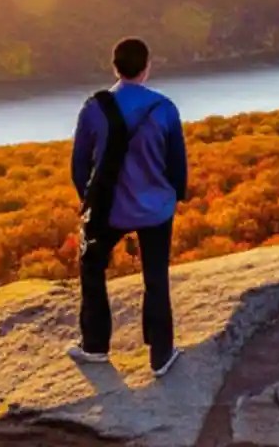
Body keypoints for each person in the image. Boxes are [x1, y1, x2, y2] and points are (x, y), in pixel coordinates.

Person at [68, 37, 188, 377]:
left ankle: (95, 346)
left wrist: (88, 200)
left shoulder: (94, 108)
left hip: (109, 209)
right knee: (155, 277)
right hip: (156, 209)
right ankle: (161, 355)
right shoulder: (164, 108)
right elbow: (177, 164)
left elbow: (79, 165)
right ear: (147, 66)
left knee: (92, 267)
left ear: (115, 67)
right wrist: (173, 195)